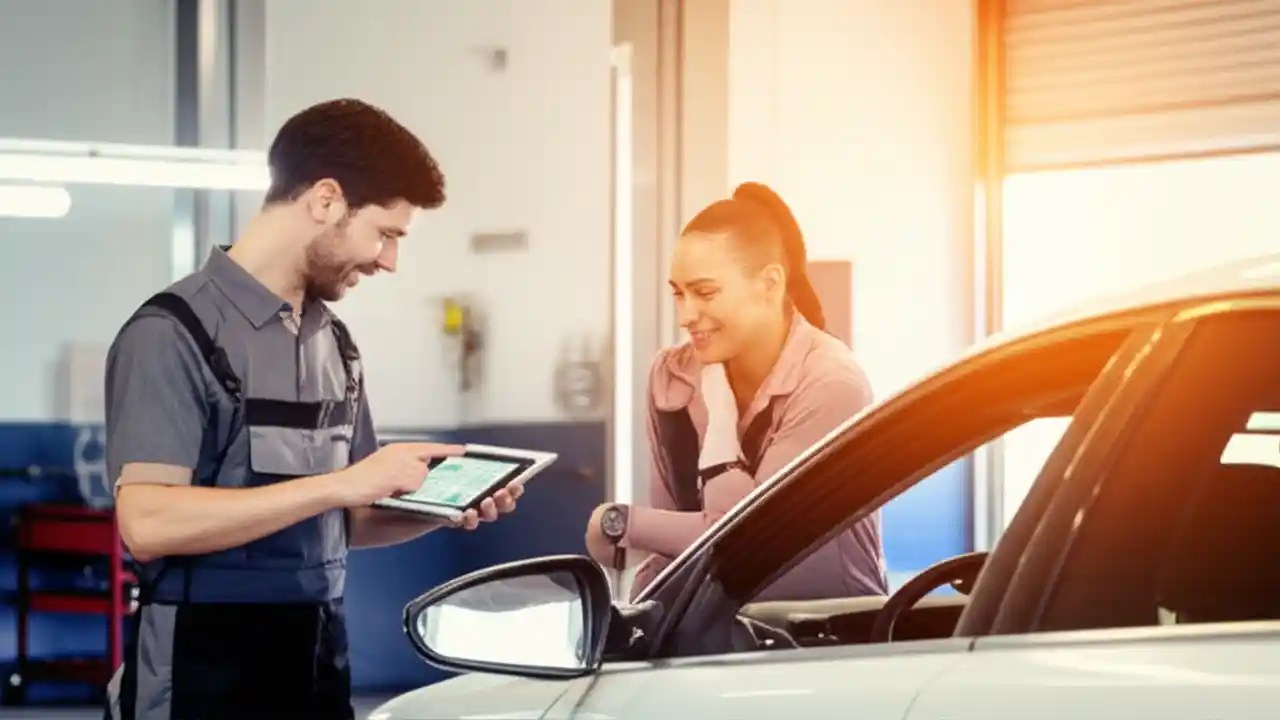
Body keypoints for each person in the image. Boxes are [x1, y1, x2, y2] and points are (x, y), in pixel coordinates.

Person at [102, 99, 523, 719]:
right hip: (199, 670)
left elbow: (346, 518)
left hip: (318, 660)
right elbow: (148, 522)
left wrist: (441, 510)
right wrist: (340, 484)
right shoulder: (173, 333)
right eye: (385, 233)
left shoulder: (336, 345)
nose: (388, 260)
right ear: (326, 200)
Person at [584, 181, 888, 602]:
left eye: (705, 292)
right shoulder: (673, 375)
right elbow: (674, 543)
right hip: (716, 632)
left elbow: (748, 540)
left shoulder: (832, 383)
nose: (686, 315)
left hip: (821, 639)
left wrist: (621, 522)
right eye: (678, 294)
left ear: (769, 283)